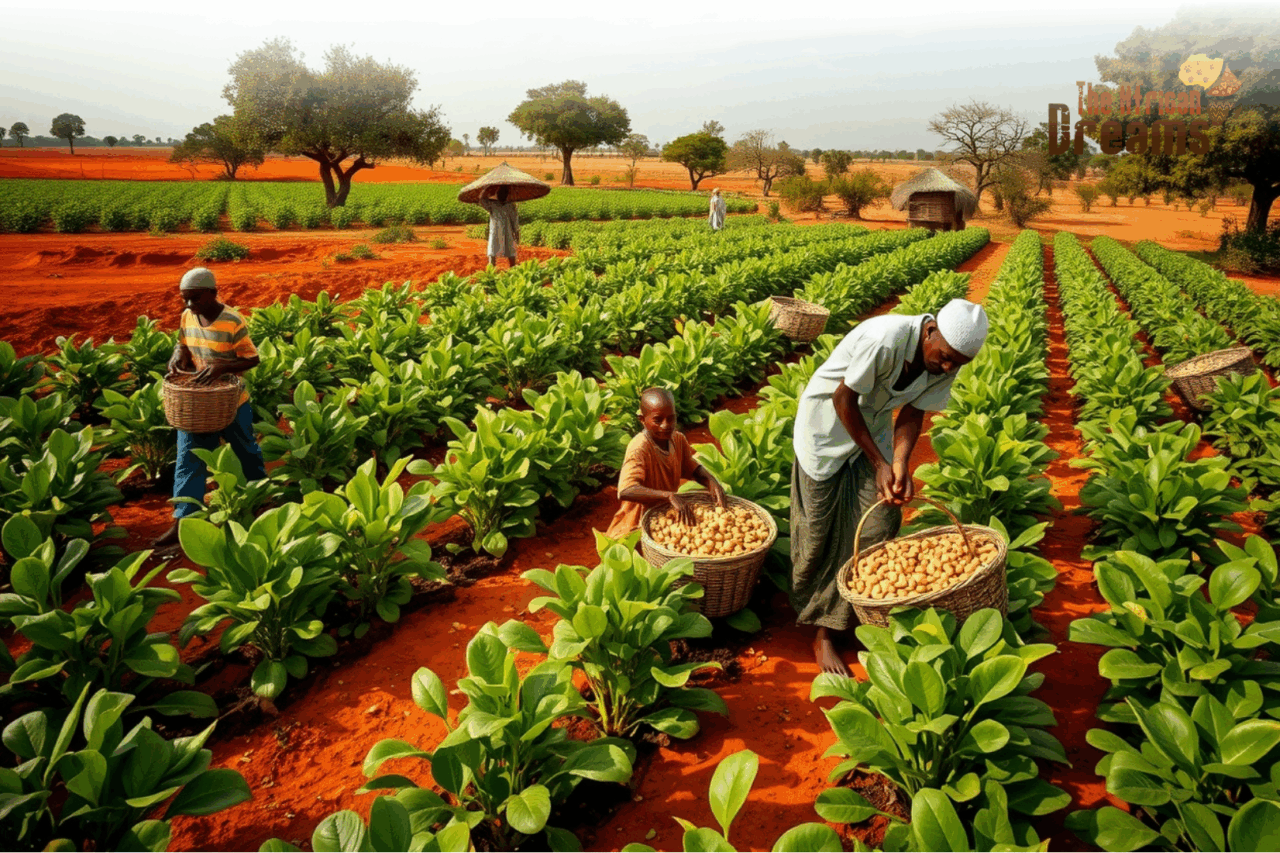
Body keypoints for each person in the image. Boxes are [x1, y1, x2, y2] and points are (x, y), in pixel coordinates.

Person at [790, 298, 988, 676]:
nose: (947, 368)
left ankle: (836, 623)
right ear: (930, 331)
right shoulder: (885, 338)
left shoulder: (949, 356)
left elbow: (914, 412)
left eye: (956, 364)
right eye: (944, 357)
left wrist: (898, 463)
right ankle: (816, 621)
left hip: (872, 428)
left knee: (880, 523)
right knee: (817, 529)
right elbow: (842, 398)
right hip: (825, 426)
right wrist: (879, 462)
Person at [153, 267, 266, 547]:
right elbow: (182, 345)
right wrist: (176, 358)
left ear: (213, 293)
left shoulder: (231, 321)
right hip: (197, 403)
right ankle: (184, 523)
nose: (190, 305)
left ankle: (261, 502)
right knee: (187, 461)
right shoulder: (188, 315)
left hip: (231, 401)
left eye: (196, 298)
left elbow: (252, 359)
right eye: (185, 299)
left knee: (246, 452)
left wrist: (221, 367)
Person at [605, 387, 728, 538]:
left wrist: (711, 480)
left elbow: (691, 466)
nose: (666, 425)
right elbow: (626, 490)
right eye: (657, 420)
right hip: (637, 523)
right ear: (642, 420)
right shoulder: (639, 448)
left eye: (671, 418)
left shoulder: (677, 439)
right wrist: (668, 496)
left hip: (668, 516)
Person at [478, 184, 520, 267]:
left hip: (507, 231)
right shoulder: (492, 204)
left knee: (510, 251)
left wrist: (516, 232)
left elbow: (514, 220)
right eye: (500, 193)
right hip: (495, 231)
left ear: (507, 195)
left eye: (504, 193)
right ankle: (491, 270)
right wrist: (487, 190)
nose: (502, 195)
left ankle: (513, 269)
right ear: (497, 194)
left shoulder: (510, 206)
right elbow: (481, 200)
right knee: (492, 251)